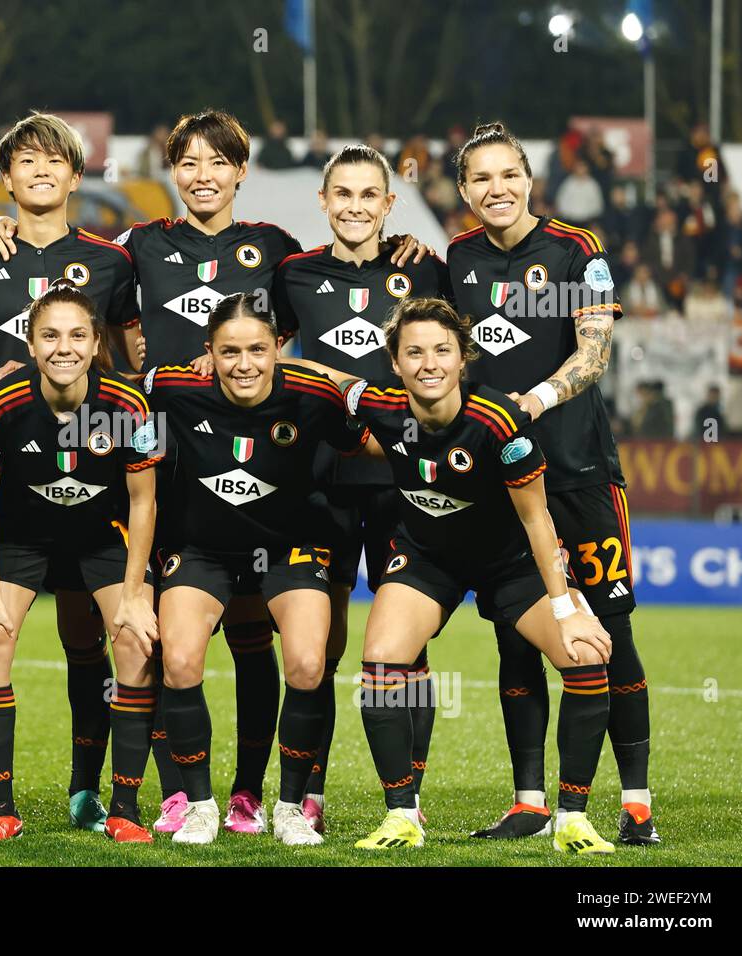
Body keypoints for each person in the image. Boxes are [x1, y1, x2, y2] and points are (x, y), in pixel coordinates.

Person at [0, 110, 425, 835]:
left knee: (268, 643)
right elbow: (64, 276)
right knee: (158, 643)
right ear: (174, 171)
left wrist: (397, 248)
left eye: (219, 162)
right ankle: (172, 793)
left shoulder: (277, 252)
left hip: (271, 471)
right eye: (188, 162)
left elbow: (336, 278)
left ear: (241, 172)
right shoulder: (137, 247)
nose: (204, 175)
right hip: (166, 471)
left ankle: (262, 791)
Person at [334, 296, 616, 855]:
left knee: (586, 658)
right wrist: (249, 362)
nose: (428, 363)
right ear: (394, 362)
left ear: (463, 357)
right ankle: (403, 816)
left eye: (442, 350)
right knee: (381, 662)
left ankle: (572, 819)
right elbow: (328, 375)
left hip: (511, 565)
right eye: (413, 352)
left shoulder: (500, 423)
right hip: (426, 560)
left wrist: (566, 610)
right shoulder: (380, 404)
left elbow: (538, 522)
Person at [446, 122, 658, 844]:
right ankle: (531, 804)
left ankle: (636, 807)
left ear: (529, 179)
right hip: (503, 485)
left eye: (508, 175)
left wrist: (530, 403)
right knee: (517, 639)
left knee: (611, 634)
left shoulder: (578, 249)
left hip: (578, 474)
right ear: (464, 190)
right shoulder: (458, 258)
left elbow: (595, 354)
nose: (495, 189)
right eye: (480, 179)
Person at [0, 112, 141, 833]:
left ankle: (90, 793)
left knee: (86, 642)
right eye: (24, 161)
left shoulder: (110, 262)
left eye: (53, 160)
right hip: (6, 471)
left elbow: (127, 364)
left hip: (94, 489)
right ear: (5, 179)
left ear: (74, 173)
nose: (39, 171)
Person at [145, 292, 368, 846]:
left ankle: (290, 807)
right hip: (200, 551)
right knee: (177, 659)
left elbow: (371, 443)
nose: (244, 364)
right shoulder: (172, 387)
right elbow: (103, 390)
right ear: (208, 354)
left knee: (309, 664)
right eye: (229, 352)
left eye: (257, 350)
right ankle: (199, 805)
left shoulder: (313, 394)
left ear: (279, 350)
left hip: (291, 548)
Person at [274, 143, 453, 828]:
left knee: (408, 642)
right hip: (315, 483)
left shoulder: (424, 268)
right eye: (340, 195)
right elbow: (254, 347)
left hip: (399, 482)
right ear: (324, 203)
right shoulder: (293, 273)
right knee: (321, 642)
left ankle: (408, 797)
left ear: (387, 203)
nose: (353, 206)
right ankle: (308, 794)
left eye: (366, 195)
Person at [0, 283, 160, 842]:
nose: (63, 348)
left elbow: (144, 501)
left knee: (133, 641)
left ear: (97, 342)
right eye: (49, 335)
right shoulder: (0, 406)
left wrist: (138, 591)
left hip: (102, 538)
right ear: (30, 343)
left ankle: (117, 805)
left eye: (77, 335)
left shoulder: (128, 406)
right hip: (24, 540)